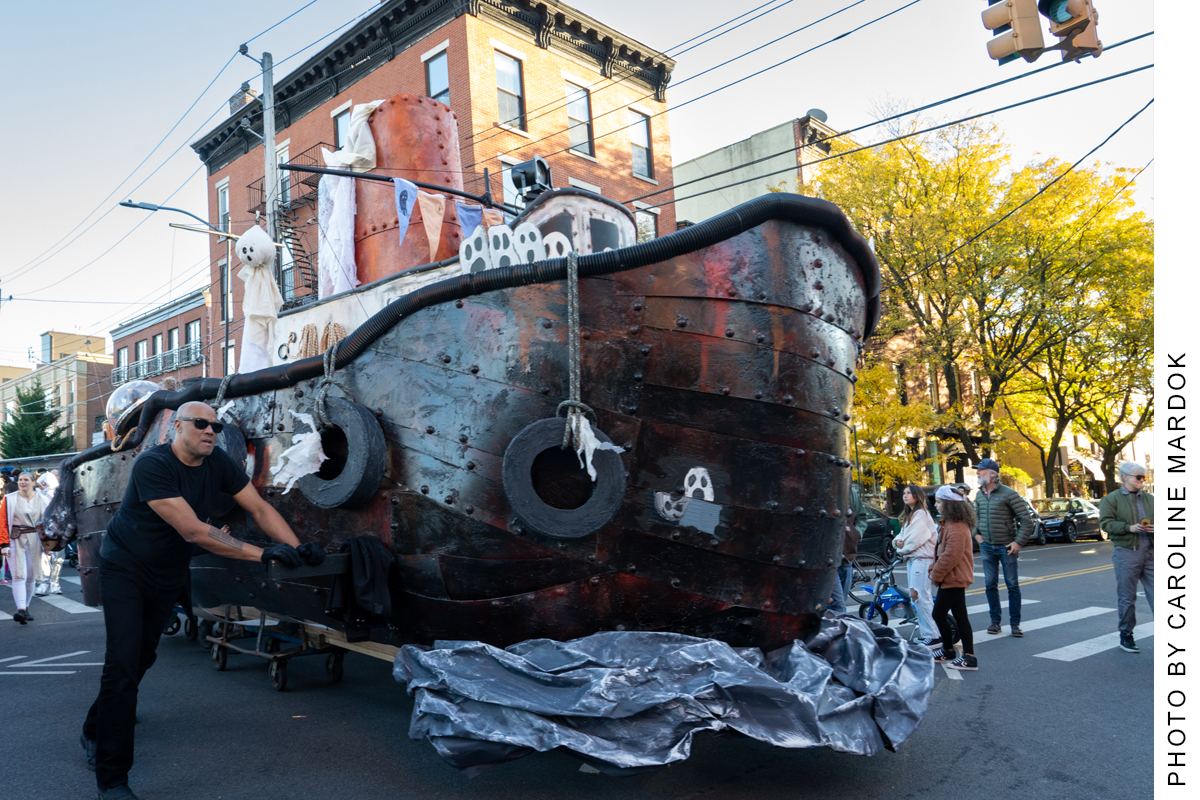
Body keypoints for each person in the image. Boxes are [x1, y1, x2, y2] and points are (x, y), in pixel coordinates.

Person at [80, 402, 326, 800]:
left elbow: (260, 508)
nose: (210, 431)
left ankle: (97, 725)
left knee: (141, 658)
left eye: (216, 425)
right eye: (201, 424)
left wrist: (297, 549)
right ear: (177, 427)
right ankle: (112, 779)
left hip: (167, 572)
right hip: (126, 569)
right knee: (122, 664)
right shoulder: (152, 465)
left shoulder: (220, 464)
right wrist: (262, 554)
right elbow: (195, 531)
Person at [972, 458, 1037, 637]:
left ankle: (1015, 624)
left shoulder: (1009, 493)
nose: (977, 473)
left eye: (981, 470)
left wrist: (1018, 542)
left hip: (1006, 546)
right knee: (990, 584)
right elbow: (975, 518)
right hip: (986, 547)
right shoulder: (979, 494)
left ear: (992, 473)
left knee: (1012, 585)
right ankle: (995, 622)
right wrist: (976, 534)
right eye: (977, 470)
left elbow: (1027, 520)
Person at [1098, 461, 1154, 654]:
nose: (1142, 481)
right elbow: (1105, 523)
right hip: (1127, 552)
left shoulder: (1150, 499)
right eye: (1138, 477)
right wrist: (1128, 528)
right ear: (1124, 477)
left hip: (1151, 552)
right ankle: (1126, 635)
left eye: (1144, 477)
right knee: (1127, 597)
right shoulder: (1111, 499)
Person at [929, 485, 977, 670]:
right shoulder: (951, 524)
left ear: (949, 505)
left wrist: (935, 574)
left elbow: (951, 555)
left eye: (939, 502)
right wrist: (935, 567)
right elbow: (943, 553)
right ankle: (961, 654)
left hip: (954, 578)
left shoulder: (956, 526)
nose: (936, 504)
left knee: (938, 614)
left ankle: (953, 652)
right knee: (960, 616)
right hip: (954, 577)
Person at [893, 483, 940, 647]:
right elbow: (900, 537)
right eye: (904, 493)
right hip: (914, 560)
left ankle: (933, 636)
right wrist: (897, 543)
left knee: (919, 597)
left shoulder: (921, 515)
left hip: (922, 560)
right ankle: (929, 633)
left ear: (917, 496)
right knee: (917, 597)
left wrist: (900, 548)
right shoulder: (912, 515)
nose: (905, 495)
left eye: (909, 493)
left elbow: (912, 541)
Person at [1, 470, 46, 623]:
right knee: (19, 575)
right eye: (20, 479)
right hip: (15, 539)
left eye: (26, 480)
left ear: (33, 483)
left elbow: (49, 522)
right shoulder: (9, 499)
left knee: (31, 576)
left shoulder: (42, 498)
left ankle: (26, 608)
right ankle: (20, 609)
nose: (22, 482)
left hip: (35, 539)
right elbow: (2, 523)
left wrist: (49, 545)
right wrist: (4, 544)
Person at [828, 485, 868, 614]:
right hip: (828, 562)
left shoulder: (850, 491)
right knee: (838, 606)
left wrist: (856, 534)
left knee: (838, 604)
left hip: (847, 558)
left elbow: (861, 517)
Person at [35, 469, 63, 596]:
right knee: (43, 557)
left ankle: (54, 583)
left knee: (58, 559)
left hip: (58, 529)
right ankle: (43, 583)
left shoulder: (61, 494)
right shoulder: (36, 495)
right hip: (41, 529)